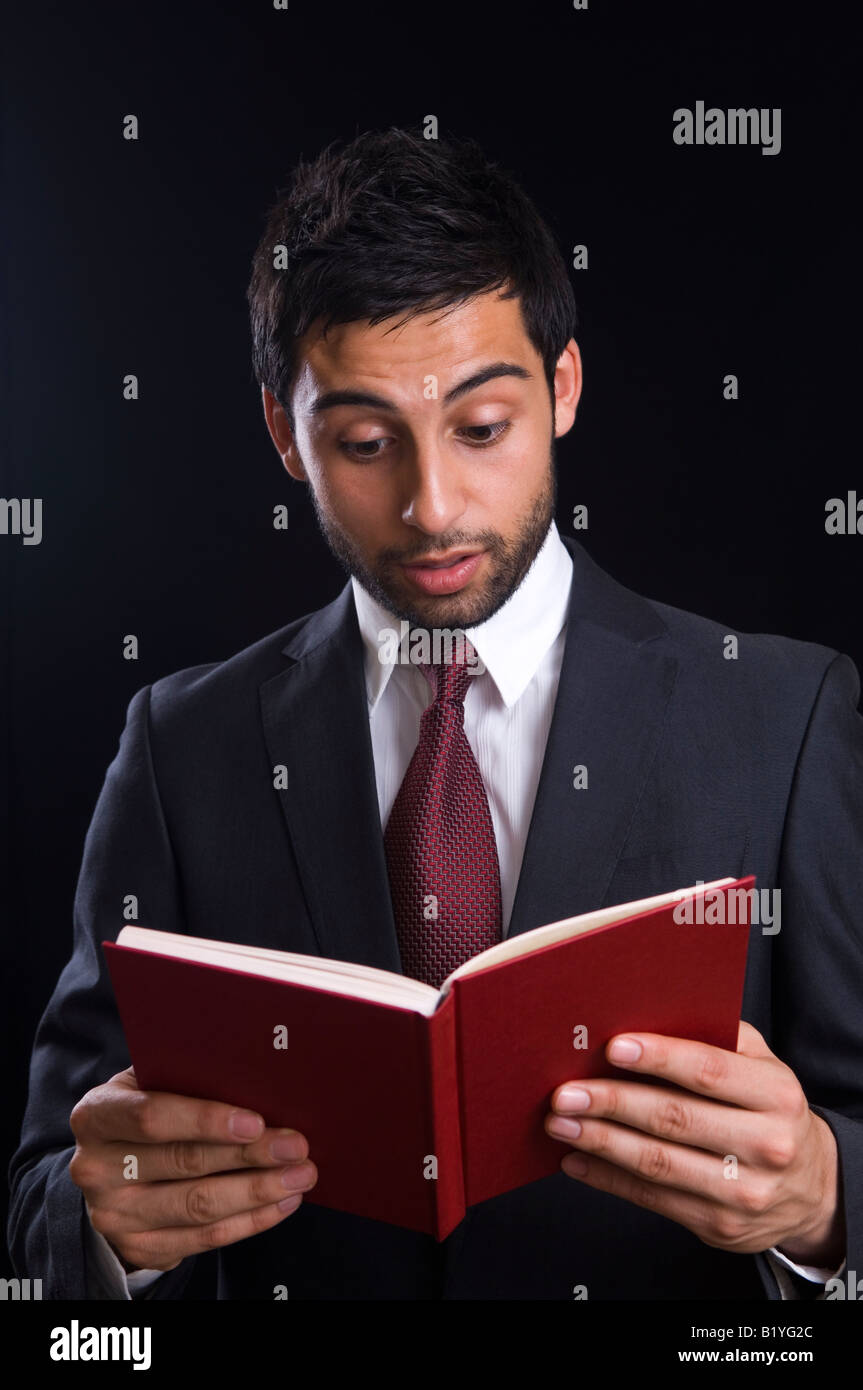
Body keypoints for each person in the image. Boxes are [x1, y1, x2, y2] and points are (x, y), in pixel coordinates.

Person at [8, 128, 861, 1301]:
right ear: (282, 434)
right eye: (363, 443)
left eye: (480, 426)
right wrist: (101, 1229)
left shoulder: (785, 714)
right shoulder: (180, 744)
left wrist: (823, 1203)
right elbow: (52, 1198)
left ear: (561, 387)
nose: (431, 505)